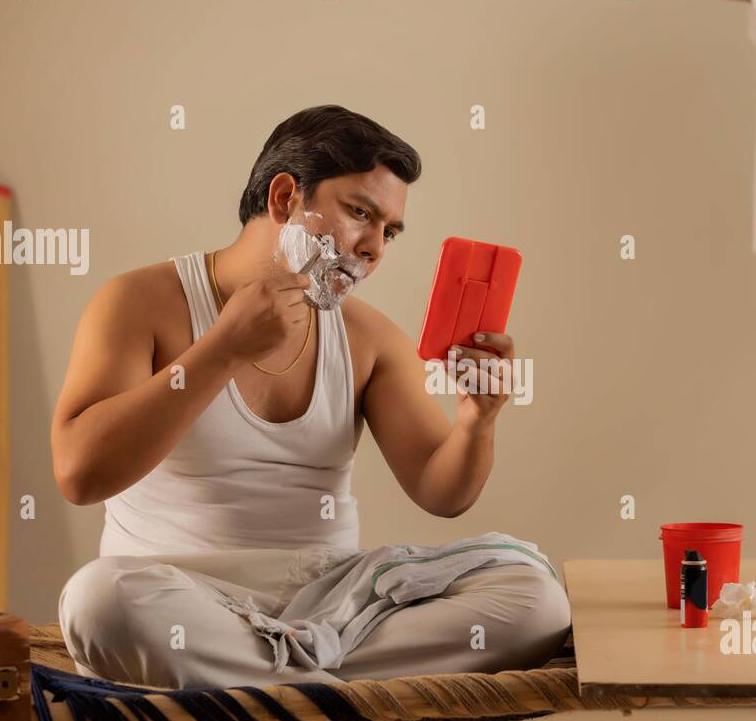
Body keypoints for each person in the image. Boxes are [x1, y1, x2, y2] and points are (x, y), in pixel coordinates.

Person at [50, 104, 570, 689]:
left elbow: (442, 492)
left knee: (536, 600)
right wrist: (221, 350)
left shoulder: (369, 338)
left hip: (333, 599)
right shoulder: (137, 302)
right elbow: (80, 475)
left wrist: (477, 421)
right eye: (359, 213)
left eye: (389, 231)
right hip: (178, 592)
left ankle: (284, 675)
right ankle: (338, 681)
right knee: (97, 605)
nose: (373, 247)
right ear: (284, 199)